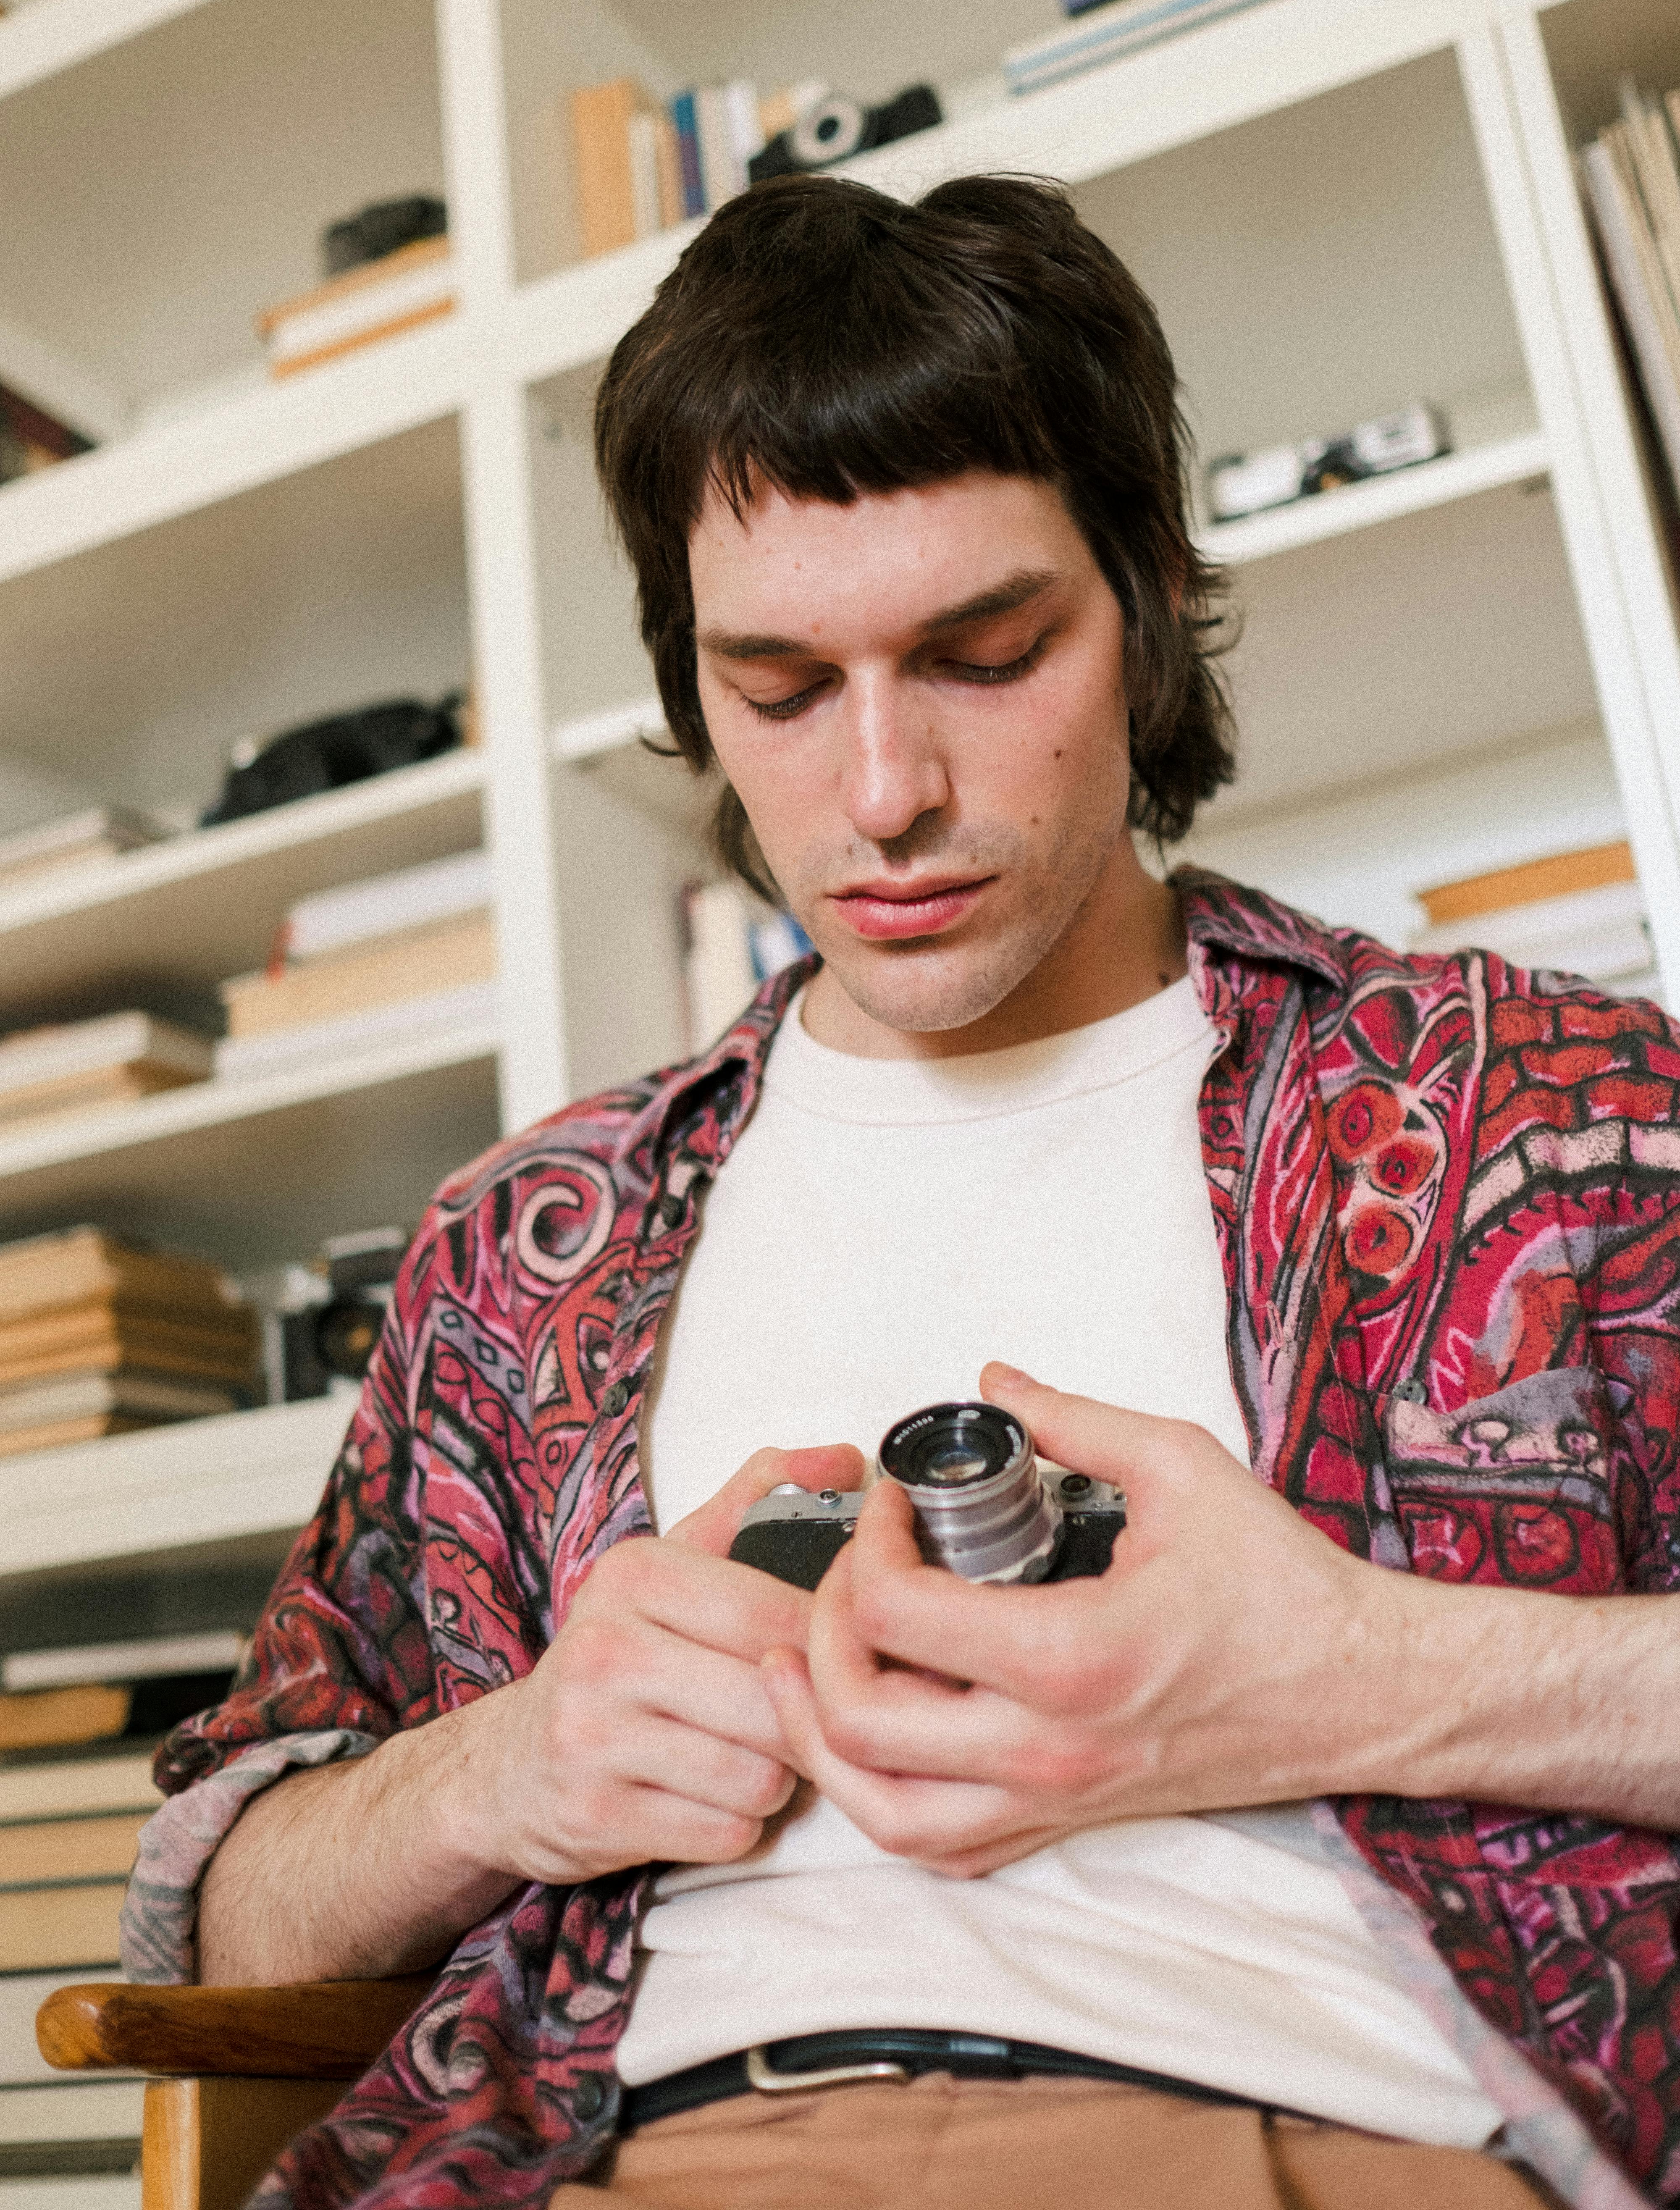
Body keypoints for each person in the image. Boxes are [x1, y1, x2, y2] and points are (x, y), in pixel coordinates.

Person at [122, 175, 1680, 2210]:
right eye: (779, 689)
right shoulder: (524, 1248)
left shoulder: (1540, 1113)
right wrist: (505, 1768)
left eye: (984, 653)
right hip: (637, 2154)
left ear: (1144, 607)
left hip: (1324, 2144)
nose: (881, 795)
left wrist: (1365, 1673)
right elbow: (217, 1920)